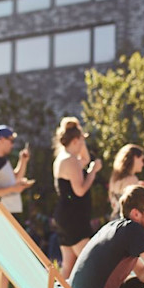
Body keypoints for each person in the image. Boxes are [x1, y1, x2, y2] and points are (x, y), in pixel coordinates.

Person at [53, 117, 100, 278]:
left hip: (66, 216)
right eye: (80, 141)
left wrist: (81, 135)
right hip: (73, 217)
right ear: (74, 141)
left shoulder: (64, 157)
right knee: (92, 261)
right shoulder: (70, 160)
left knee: (69, 266)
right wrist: (93, 172)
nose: (82, 145)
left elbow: (85, 159)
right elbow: (80, 190)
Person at [0, 125, 33, 213]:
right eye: (11, 140)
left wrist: (23, 161)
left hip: (11, 211)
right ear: (1, 140)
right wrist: (13, 189)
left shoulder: (3, 159)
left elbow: (15, 179)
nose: (12, 144)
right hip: (2, 213)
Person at [107, 144, 144, 220]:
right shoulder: (131, 179)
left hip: (114, 219)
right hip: (126, 221)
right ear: (135, 158)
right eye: (142, 160)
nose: (143, 164)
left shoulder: (114, 178)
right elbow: (139, 205)